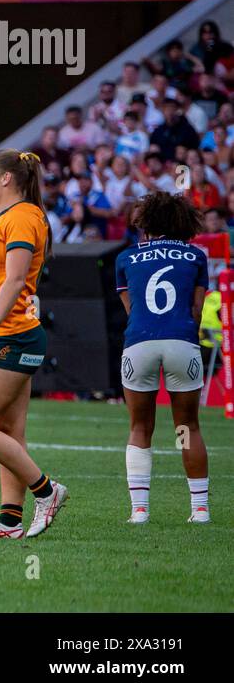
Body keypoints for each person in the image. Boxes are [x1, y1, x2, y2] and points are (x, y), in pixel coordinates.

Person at [0, 149, 67, 541]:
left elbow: (17, 278)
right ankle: (9, 522)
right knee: (10, 432)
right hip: (16, 333)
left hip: (13, 334)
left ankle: (47, 491)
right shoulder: (15, 217)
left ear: (7, 178)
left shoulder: (21, 217)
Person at [116, 192, 211, 525]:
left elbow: (132, 310)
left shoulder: (126, 258)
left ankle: (139, 510)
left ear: (146, 223)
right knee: (187, 427)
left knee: (140, 427)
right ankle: (200, 509)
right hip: (181, 344)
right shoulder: (196, 256)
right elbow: (196, 310)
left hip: (140, 344)